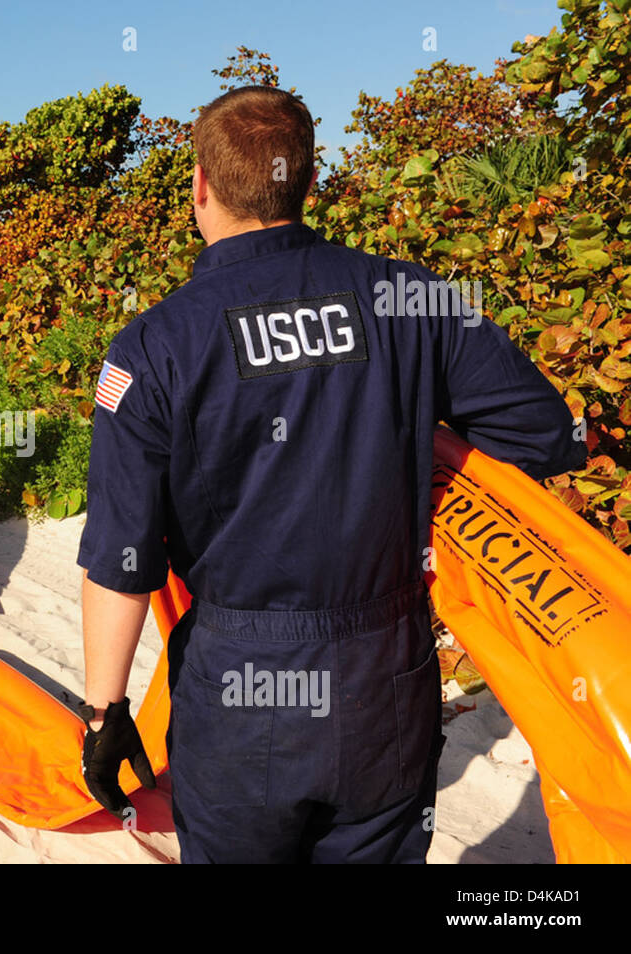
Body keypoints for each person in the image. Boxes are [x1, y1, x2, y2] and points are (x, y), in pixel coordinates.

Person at [75, 86, 586, 864]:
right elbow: (544, 433)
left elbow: (122, 558)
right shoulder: (411, 297)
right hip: (387, 678)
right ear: (305, 183)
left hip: (240, 690)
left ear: (200, 187)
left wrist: (104, 712)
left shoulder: (152, 348)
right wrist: (410, 456)